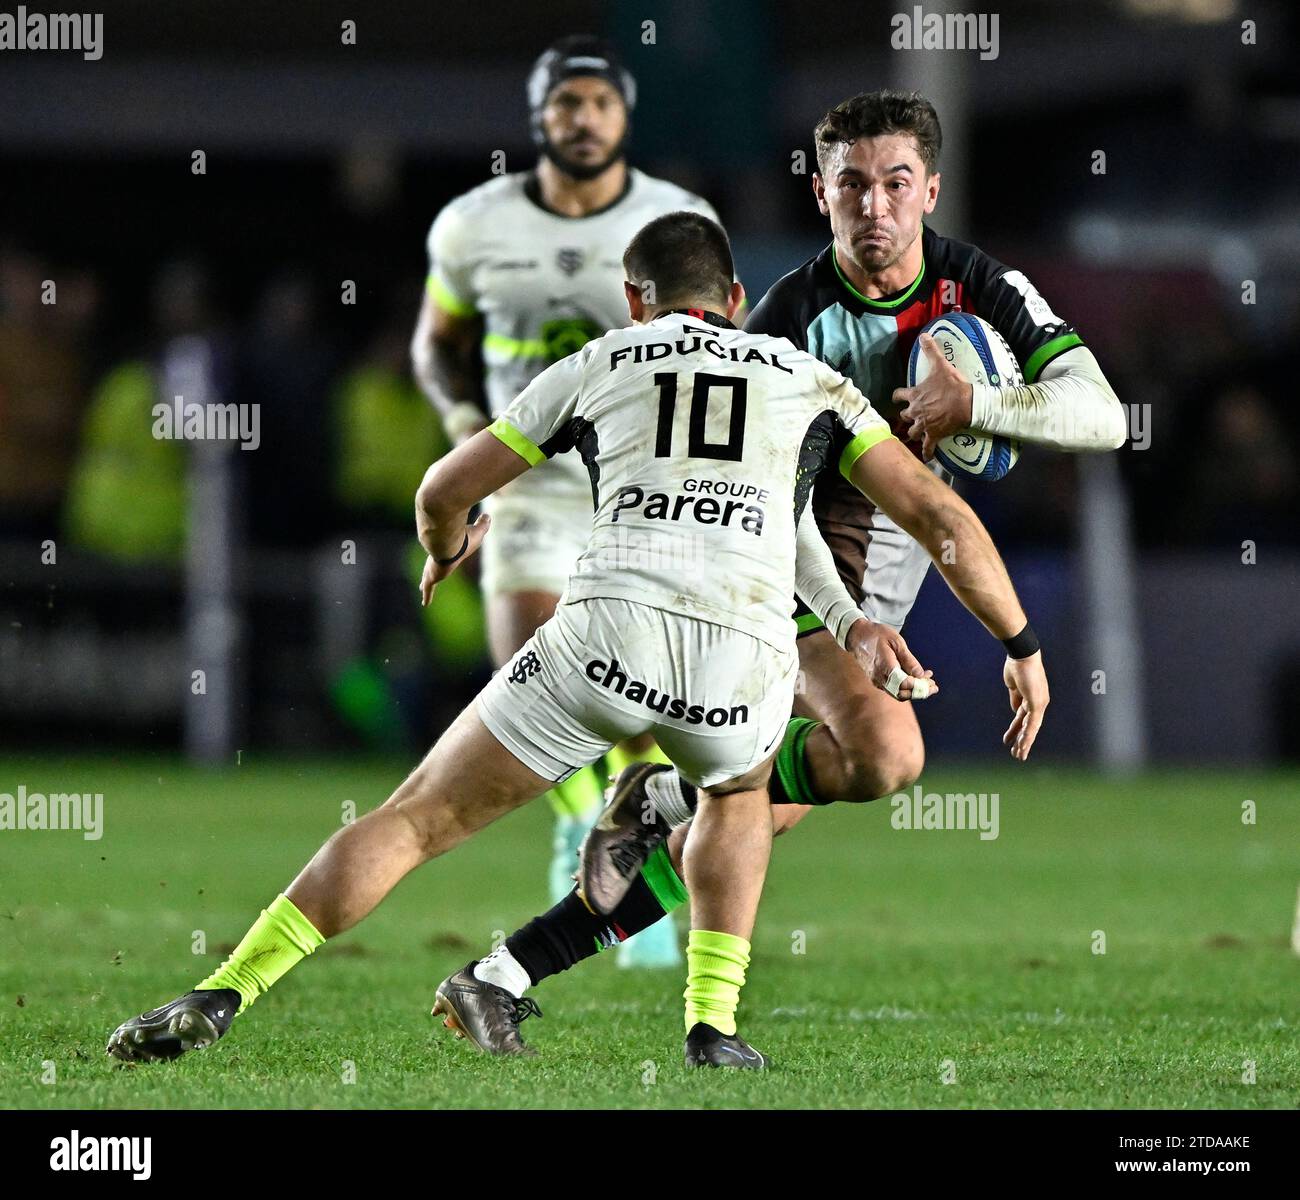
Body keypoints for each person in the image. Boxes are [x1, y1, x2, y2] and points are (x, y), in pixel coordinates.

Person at [107, 210, 1048, 1069]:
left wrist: (446, 545)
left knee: (415, 820)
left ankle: (224, 991)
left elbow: (442, 490)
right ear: (733, 300)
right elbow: (937, 516)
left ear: (635, 301)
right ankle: (711, 1026)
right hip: (737, 660)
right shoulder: (809, 379)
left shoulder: (604, 360)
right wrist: (1019, 643)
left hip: (601, 638)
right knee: (738, 792)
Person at [410, 34, 721, 967]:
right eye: (566, 103)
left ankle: (629, 864)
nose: (583, 119)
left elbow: (718, 346)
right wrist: (467, 428)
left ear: (625, 115)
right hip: (530, 483)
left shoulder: (676, 216)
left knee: (644, 696)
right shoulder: (473, 224)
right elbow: (435, 344)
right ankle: (582, 831)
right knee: (533, 675)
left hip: (641, 481)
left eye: (600, 103)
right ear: (540, 115)